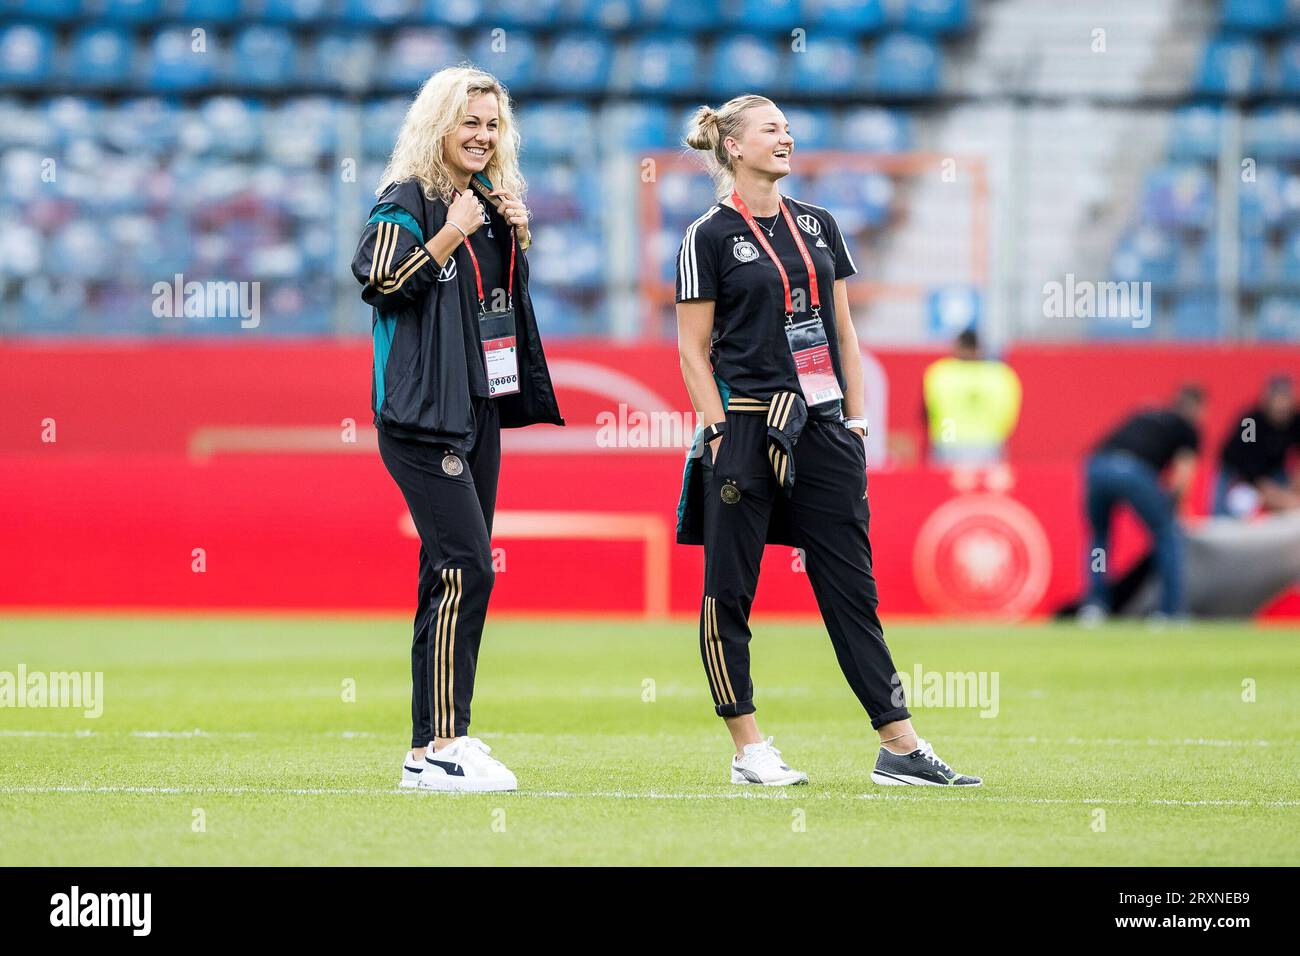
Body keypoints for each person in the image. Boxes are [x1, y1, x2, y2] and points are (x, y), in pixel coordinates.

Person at [674, 94, 981, 788]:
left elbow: (843, 331)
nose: (788, 138)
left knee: (852, 588)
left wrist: (857, 419)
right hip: (747, 426)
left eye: (788, 128)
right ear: (733, 147)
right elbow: (692, 352)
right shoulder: (707, 236)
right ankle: (748, 747)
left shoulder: (820, 224)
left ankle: (899, 747)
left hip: (824, 427)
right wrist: (717, 431)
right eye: (771, 129)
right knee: (730, 590)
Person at [350, 66, 564, 792]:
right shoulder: (408, 198)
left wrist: (516, 241)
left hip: (474, 411)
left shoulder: (486, 205)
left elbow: (486, 310)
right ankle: (447, 741)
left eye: (492, 125)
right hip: (418, 415)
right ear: (437, 125)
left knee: (446, 571)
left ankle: (427, 750)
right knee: (467, 565)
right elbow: (379, 280)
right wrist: (449, 233)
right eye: (469, 122)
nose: (482, 136)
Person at [1081, 385, 1205, 623]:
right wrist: (1178, 509)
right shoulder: (1187, 427)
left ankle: (1095, 605)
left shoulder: (1147, 414)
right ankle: (1170, 611)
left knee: (1099, 539)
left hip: (1097, 466)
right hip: (1133, 470)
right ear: (1199, 408)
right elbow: (1183, 476)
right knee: (1167, 535)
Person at [922, 327, 1022, 465]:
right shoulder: (999, 375)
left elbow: (930, 410)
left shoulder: (941, 373)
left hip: (949, 442)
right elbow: (1008, 414)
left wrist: (948, 435)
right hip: (989, 443)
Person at [1213, 375, 1300, 516]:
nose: (1281, 406)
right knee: (1237, 505)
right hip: (1237, 472)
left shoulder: (1295, 420)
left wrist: (1294, 489)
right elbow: (1247, 464)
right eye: (1277, 399)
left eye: (1285, 399)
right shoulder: (1251, 423)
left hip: (1274, 469)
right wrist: (1277, 496)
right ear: (1268, 401)